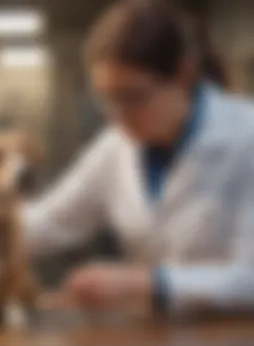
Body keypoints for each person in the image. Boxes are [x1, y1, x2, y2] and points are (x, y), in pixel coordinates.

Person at [23, 0, 254, 317]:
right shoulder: (117, 147)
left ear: (184, 74)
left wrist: (149, 283)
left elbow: (249, 279)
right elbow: (49, 222)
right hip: (157, 341)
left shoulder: (245, 136)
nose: (118, 116)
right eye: (107, 99)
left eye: (132, 97)